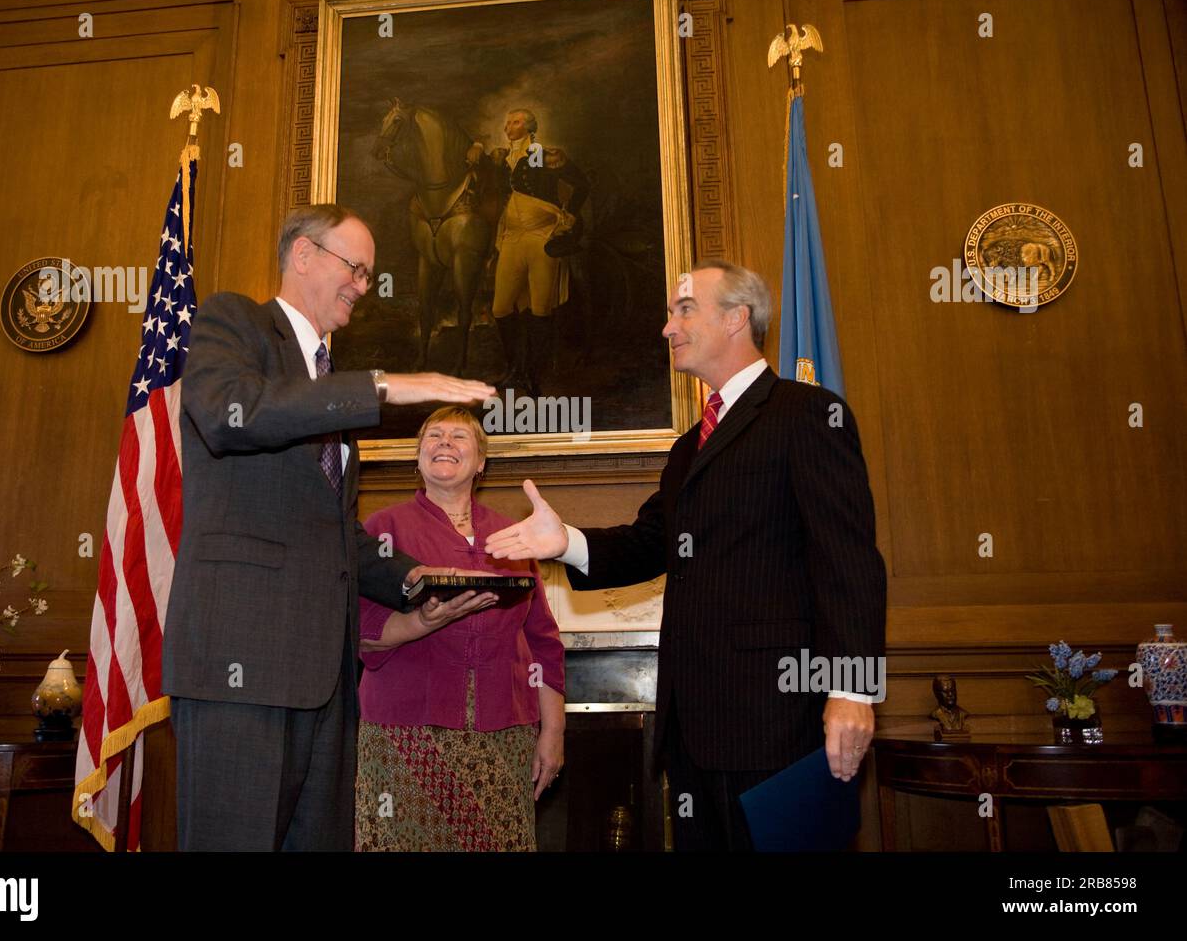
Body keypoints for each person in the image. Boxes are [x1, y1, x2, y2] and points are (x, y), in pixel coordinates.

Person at [486, 260, 887, 851]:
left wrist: (852, 690)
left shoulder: (806, 414)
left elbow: (848, 559)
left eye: (683, 310)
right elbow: (651, 545)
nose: (667, 328)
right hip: (695, 730)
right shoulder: (688, 447)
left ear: (736, 319)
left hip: (783, 721)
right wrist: (564, 541)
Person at [162, 203, 496, 851]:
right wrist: (379, 386)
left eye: (370, 275)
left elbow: (338, 532)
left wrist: (418, 580)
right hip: (245, 667)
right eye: (357, 268)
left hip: (329, 683)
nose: (364, 287)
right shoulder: (234, 323)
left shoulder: (324, 383)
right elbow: (232, 413)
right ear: (304, 254)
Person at [355, 406, 566, 851]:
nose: (445, 442)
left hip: (504, 737)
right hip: (405, 737)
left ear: (481, 462)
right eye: (434, 436)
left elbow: (544, 643)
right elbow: (358, 630)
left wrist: (553, 733)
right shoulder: (382, 529)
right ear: (418, 459)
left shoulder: (514, 535)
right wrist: (421, 622)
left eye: (459, 437)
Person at [467, 108, 588, 396]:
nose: (509, 126)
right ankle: (514, 371)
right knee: (501, 307)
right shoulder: (503, 158)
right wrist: (478, 145)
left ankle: (533, 375)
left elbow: (581, 184)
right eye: (507, 122)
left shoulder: (543, 155)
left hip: (541, 237)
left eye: (516, 122)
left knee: (540, 309)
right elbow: (481, 167)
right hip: (511, 238)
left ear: (530, 126)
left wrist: (568, 216)